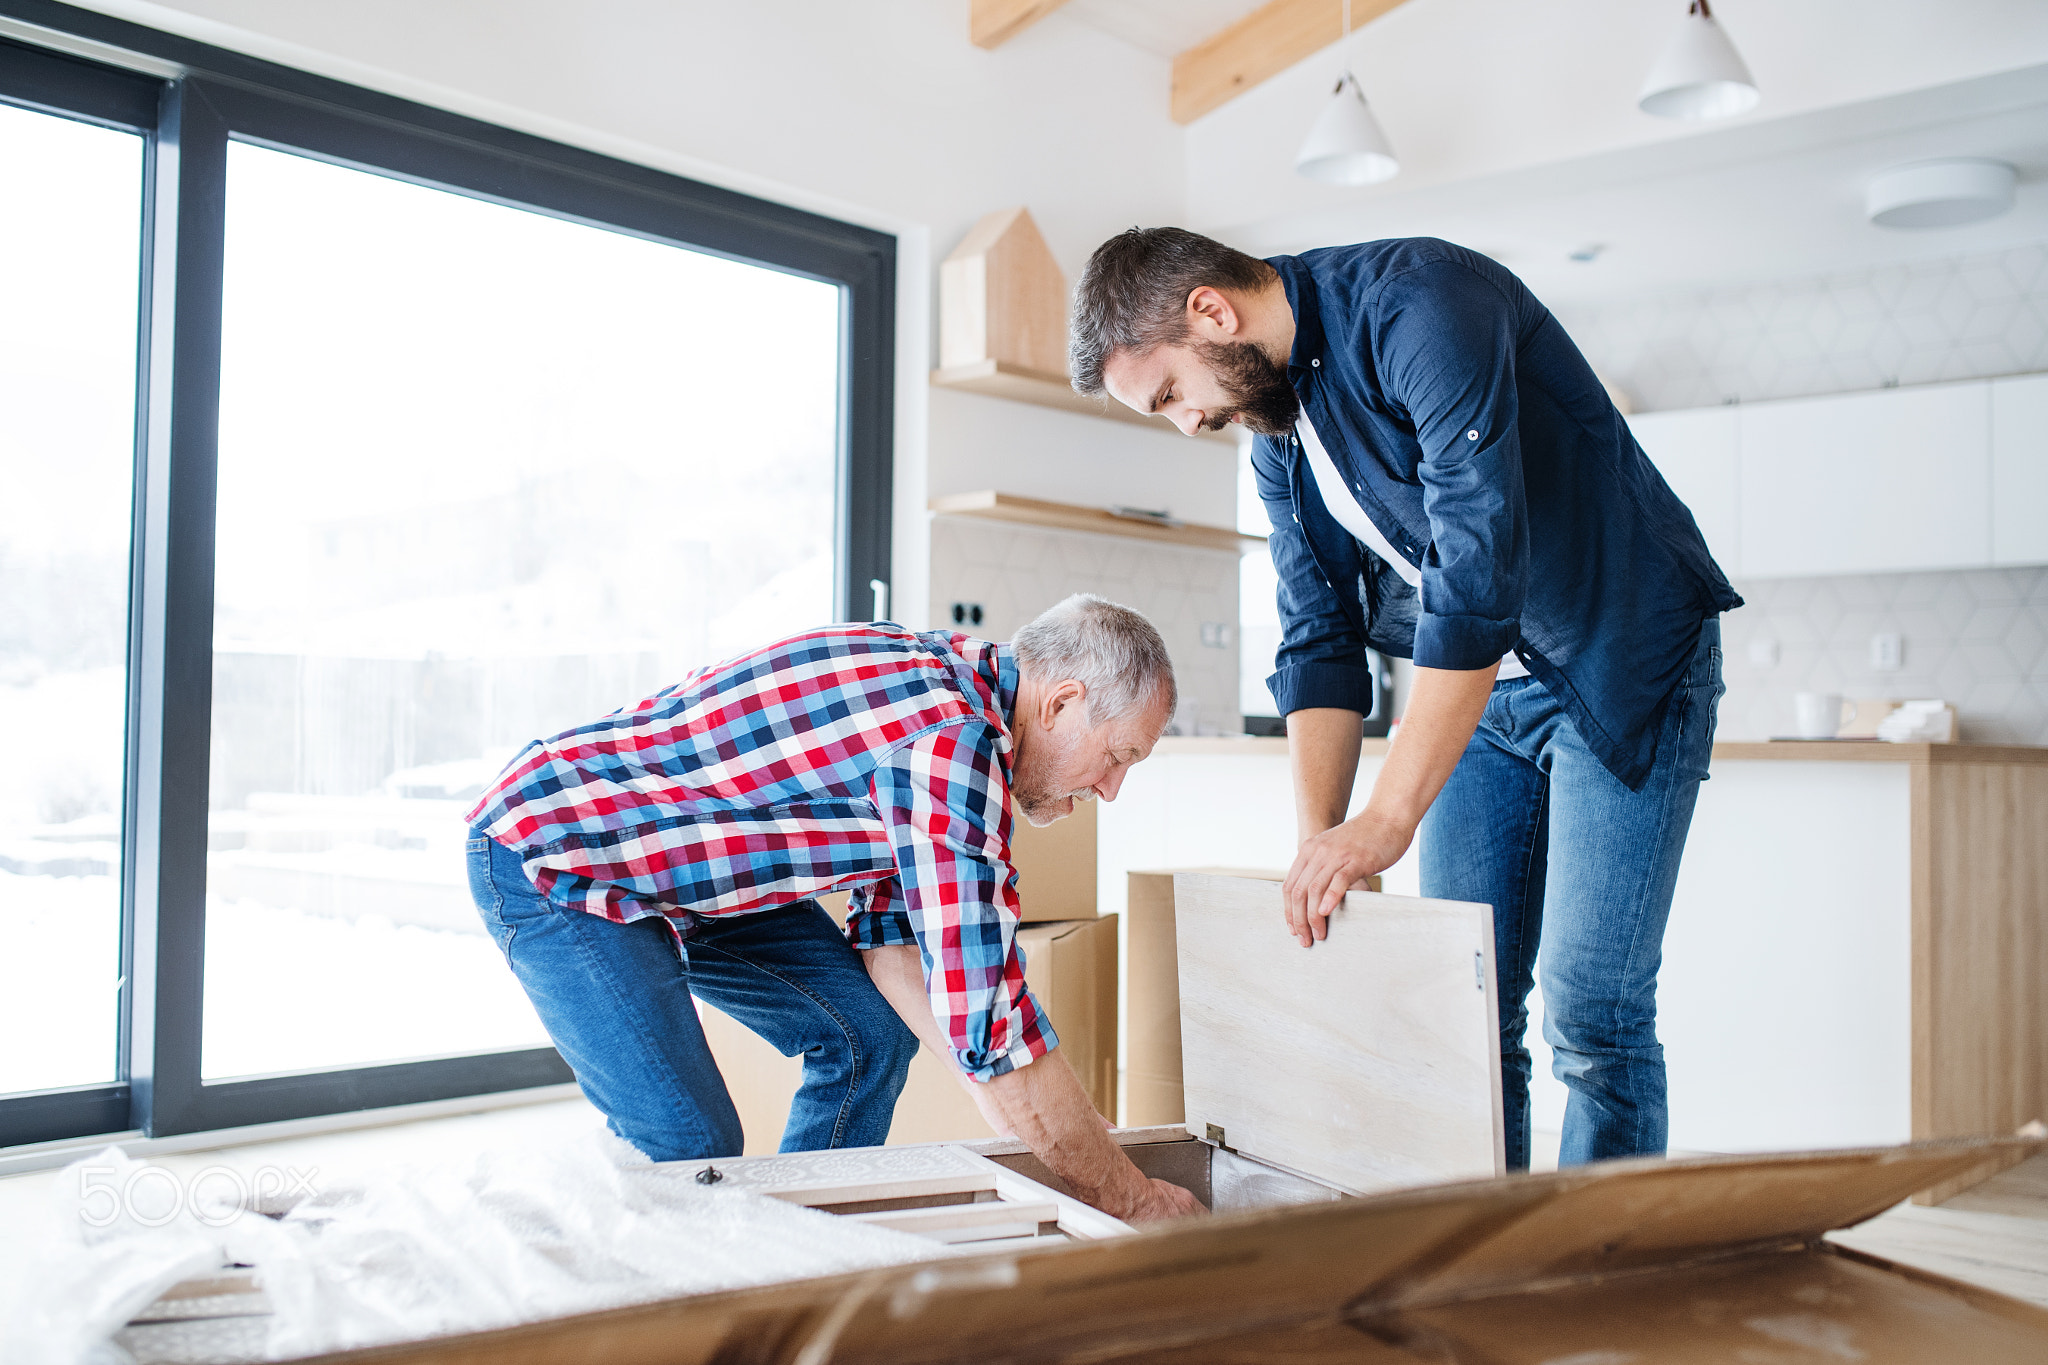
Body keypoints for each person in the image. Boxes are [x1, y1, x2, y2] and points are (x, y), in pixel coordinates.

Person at [1069, 229, 1739, 1171]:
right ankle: (1486, 1256)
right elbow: (1319, 638)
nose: (1186, 423)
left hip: (1619, 653)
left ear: (1211, 314)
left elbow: (1475, 576)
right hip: (1483, 700)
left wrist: (1387, 818)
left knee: (1592, 1009)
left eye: (1172, 393)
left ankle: (1596, 1266)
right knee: (1469, 1007)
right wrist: (1325, 843)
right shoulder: (1277, 436)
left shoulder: (1421, 306)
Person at [464, 593, 1203, 1222]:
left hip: (691, 870)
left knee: (868, 1039)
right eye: (1117, 756)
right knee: (689, 1143)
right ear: (1063, 701)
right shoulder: (949, 747)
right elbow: (994, 1025)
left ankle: (793, 1258)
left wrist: (1053, 1125)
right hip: (559, 850)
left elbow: (898, 954)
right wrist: (1129, 1196)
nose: (1110, 790)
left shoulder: (950, 695)